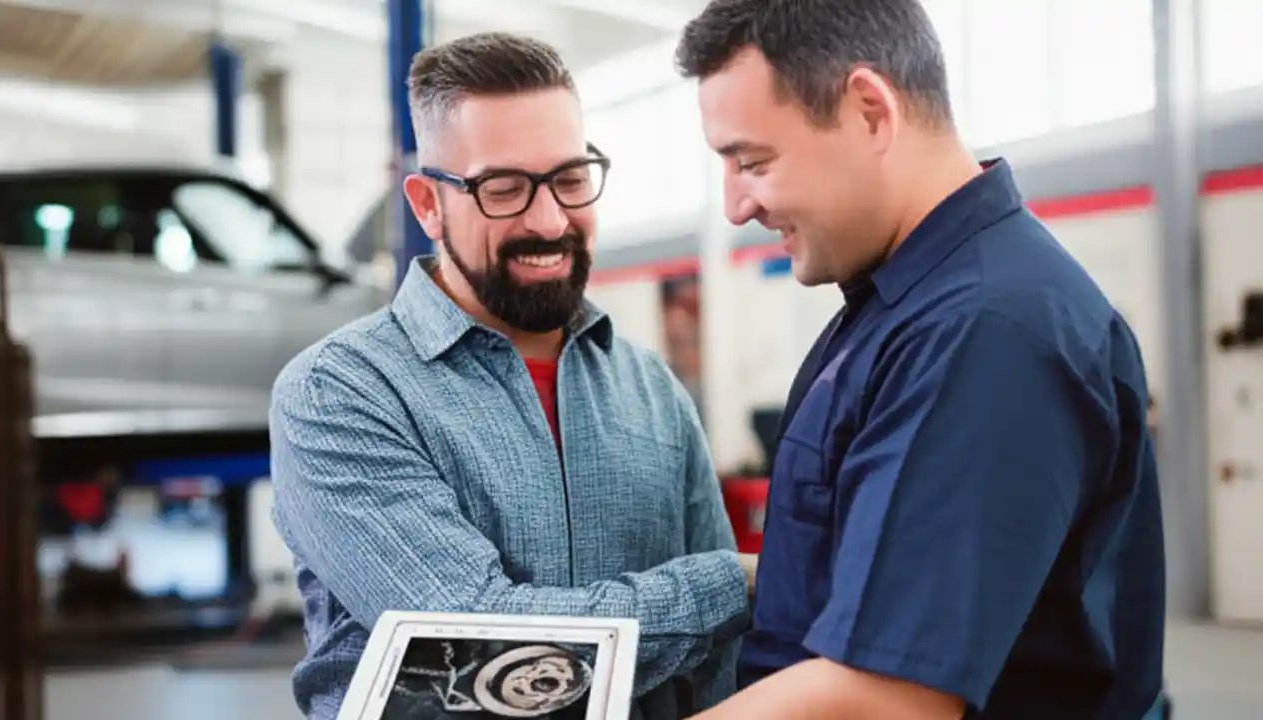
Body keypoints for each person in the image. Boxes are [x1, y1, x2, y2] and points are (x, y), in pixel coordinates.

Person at [674, 1, 1166, 718]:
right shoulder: (903, 305)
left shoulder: (985, 331)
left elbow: (888, 699)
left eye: (753, 162)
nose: (735, 207)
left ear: (870, 112)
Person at [269, 32, 751, 720]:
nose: (549, 220)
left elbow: (720, 668)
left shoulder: (652, 391)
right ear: (428, 205)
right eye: (504, 189)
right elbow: (477, 640)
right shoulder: (340, 393)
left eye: (571, 179)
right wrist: (729, 583)